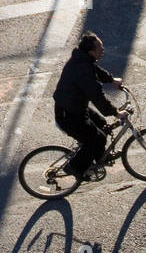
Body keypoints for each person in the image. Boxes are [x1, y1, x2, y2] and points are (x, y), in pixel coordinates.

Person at [52, 31, 126, 177]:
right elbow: (97, 96)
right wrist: (116, 113)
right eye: (100, 48)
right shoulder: (83, 69)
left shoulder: (83, 59)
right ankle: (74, 168)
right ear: (92, 52)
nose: (103, 50)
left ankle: (98, 158)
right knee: (96, 138)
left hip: (74, 108)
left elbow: (96, 71)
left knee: (102, 124)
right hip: (69, 115)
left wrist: (112, 80)